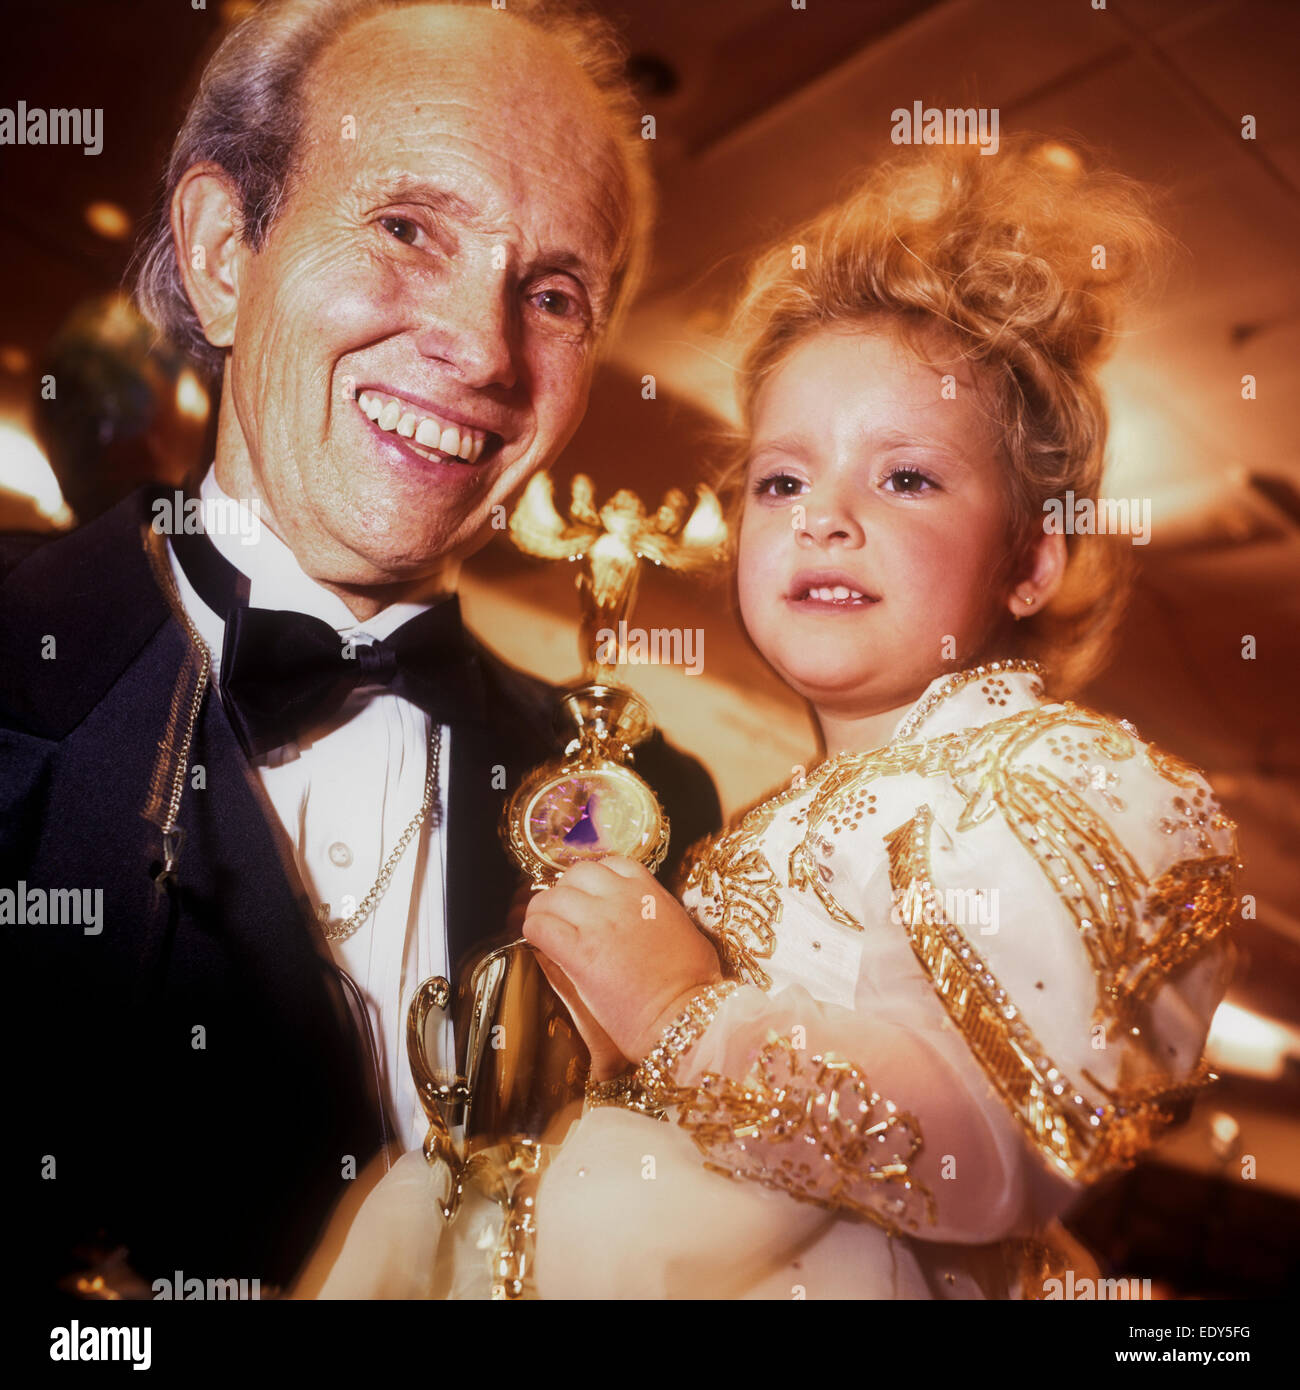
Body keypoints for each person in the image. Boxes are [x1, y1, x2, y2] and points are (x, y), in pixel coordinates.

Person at [323, 137, 1241, 1298]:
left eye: (904, 477)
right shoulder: (776, 819)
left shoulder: (1048, 780)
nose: (825, 518)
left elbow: (995, 1144)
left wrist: (675, 1010)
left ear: (1031, 558)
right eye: (781, 480)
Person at [0, 0, 719, 1299]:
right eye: (406, 229)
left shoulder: (652, 799)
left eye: (552, 294)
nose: (484, 350)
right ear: (225, 252)